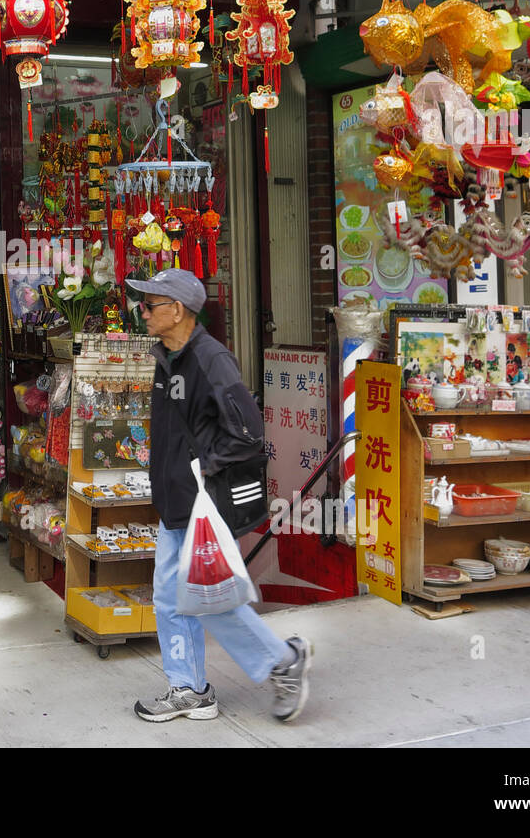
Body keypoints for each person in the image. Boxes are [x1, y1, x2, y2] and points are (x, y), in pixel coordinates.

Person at [124, 267, 313, 724]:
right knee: (175, 597)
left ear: (178, 310)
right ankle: (190, 687)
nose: (142, 311)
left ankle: (279, 662)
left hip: (201, 504)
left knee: (203, 595)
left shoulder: (211, 360)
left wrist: (201, 474)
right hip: (176, 502)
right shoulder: (167, 358)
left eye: (151, 304)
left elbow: (248, 434)